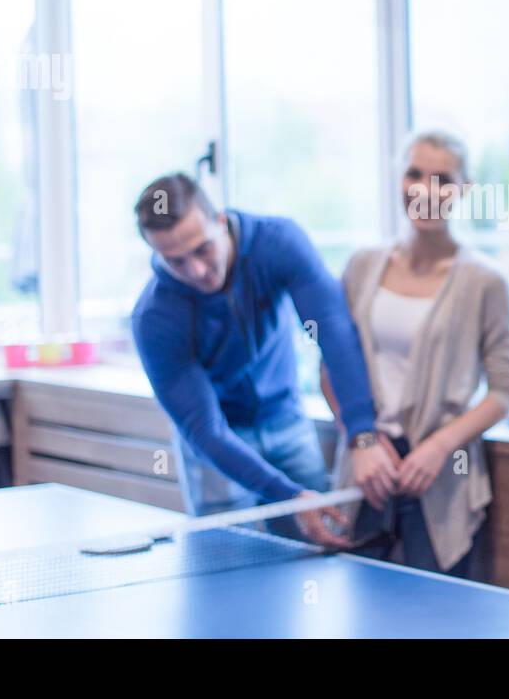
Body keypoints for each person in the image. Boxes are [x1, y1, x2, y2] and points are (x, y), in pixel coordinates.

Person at [129, 173, 398, 545]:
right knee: (227, 564)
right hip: (219, 443)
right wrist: (288, 497)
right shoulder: (154, 318)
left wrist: (362, 434)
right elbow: (206, 430)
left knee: (319, 546)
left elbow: (332, 332)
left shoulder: (277, 243)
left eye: (203, 249)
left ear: (220, 221)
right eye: (176, 262)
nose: (196, 271)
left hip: (286, 419)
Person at [321, 130, 509, 577]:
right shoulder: (361, 266)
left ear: (464, 190)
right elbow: (330, 368)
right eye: (414, 174)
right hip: (366, 469)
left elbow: (504, 391)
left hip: (440, 477)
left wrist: (437, 448)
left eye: (442, 178)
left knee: (439, 619)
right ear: (396, 181)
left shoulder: (484, 281)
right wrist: (361, 439)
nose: (426, 190)